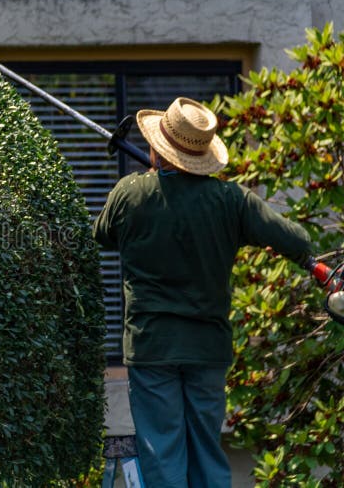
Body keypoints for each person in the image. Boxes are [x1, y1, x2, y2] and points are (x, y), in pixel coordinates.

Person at [92, 97, 313, 487]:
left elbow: (103, 235)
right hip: (207, 348)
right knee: (207, 453)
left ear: (156, 147)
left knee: (162, 455)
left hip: (152, 346)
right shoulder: (231, 201)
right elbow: (296, 238)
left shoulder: (130, 193)